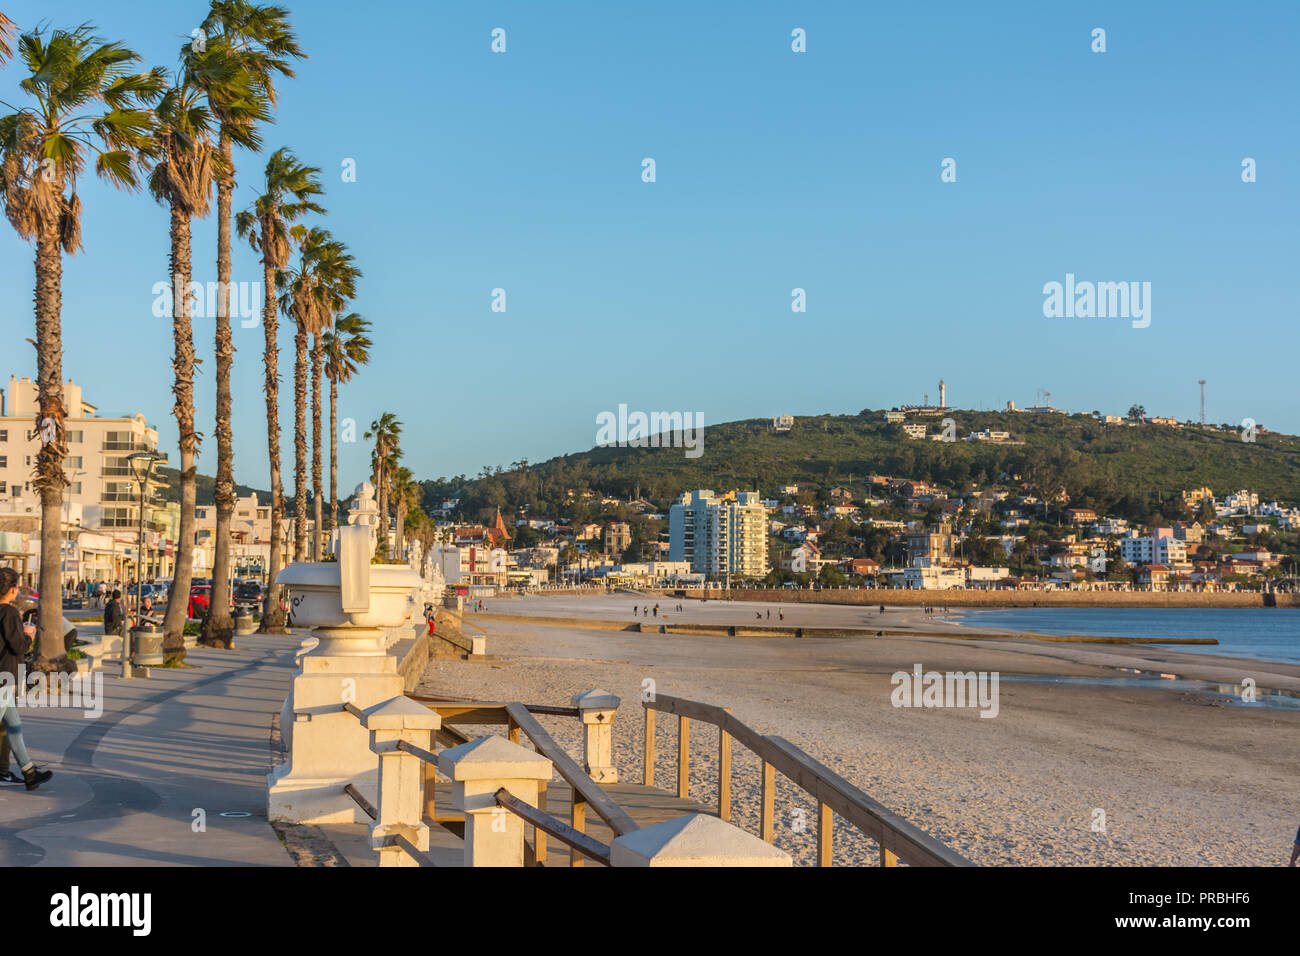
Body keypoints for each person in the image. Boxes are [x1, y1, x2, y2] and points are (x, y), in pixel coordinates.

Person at [0, 567, 53, 791]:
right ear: (13, 589)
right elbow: (18, 645)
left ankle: (29, 772)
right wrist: (28, 636)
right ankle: (28, 772)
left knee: (13, 726)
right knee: (12, 726)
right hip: (4, 677)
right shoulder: (9, 613)